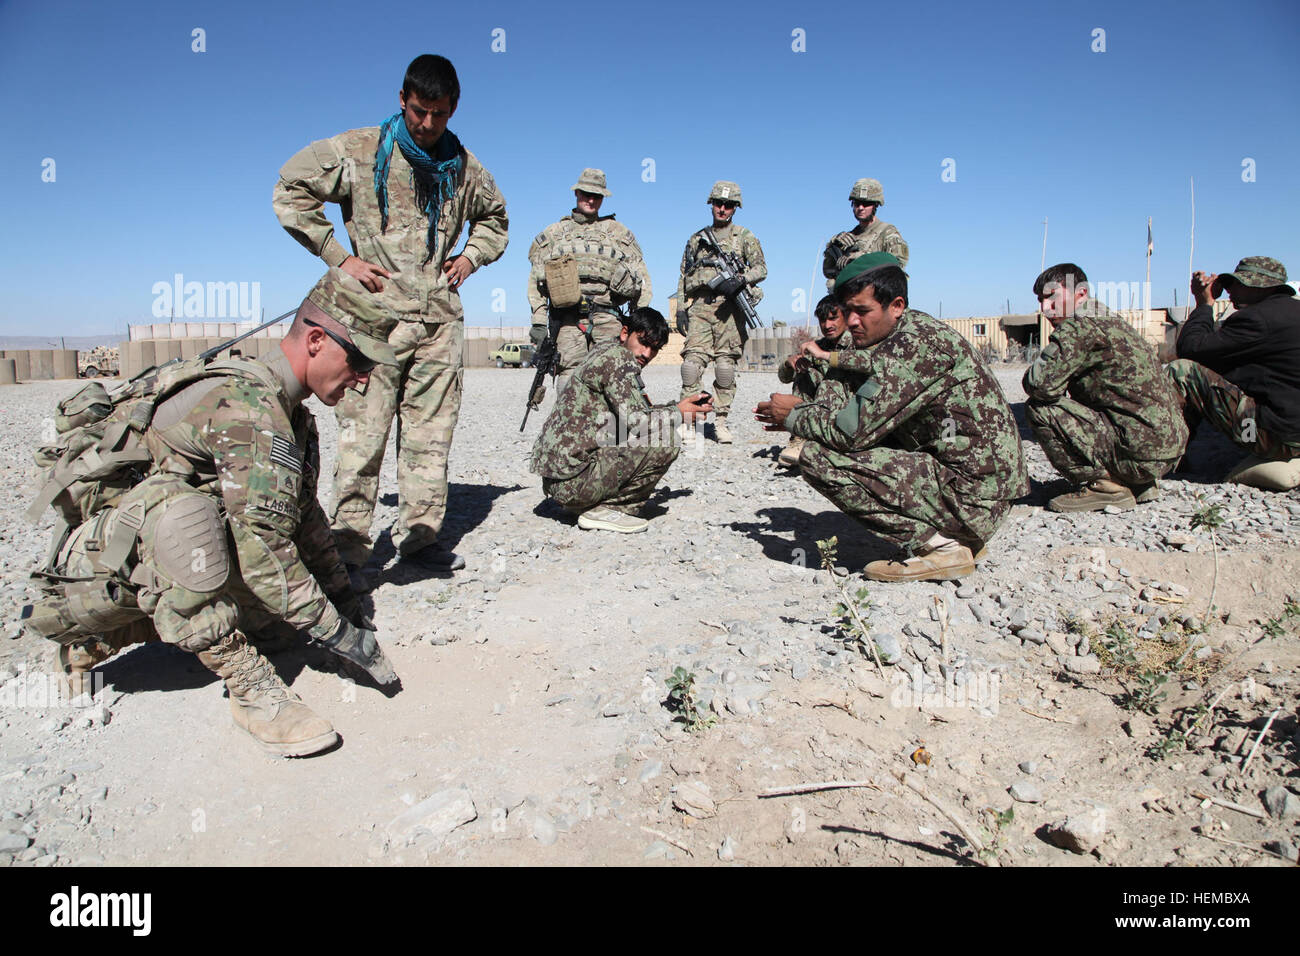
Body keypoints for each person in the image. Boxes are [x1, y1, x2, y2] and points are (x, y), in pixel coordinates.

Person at [34, 271, 401, 756]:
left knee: (276, 625)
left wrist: (349, 610)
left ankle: (97, 643)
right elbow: (265, 552)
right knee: (184, 513)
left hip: (148, 568)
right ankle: (250, 690)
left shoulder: (292, 416)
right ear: (316, 340)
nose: (363, 377)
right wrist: (337, 634)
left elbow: (306, 522)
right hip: (91, 569)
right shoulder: (246, 408)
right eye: (357, 361)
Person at [273, 54, 508, 581]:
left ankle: (421, 539)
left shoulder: (464, 168)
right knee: (363, 434)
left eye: (440, 114)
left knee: (431, 435)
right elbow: (290, 188)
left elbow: (496, 219)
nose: (428, 125)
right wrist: (340, 256)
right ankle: (349, 548)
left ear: (454, 110)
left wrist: (471, 256)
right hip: (372, 320)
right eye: (420, 111)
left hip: (438, 321)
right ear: (402, 101)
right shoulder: (360, 151)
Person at [756, 254, 1028, 582]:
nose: (852, 321)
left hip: (976, 498)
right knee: (842, 384)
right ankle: (956, 535)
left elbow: (848, 434)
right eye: (848, 312)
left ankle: (943, 548)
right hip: (972, 484)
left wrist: (794, 415)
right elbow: (852, 381)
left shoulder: (914, 347)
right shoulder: (903, 331)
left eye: (863, 311)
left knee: (816, 457)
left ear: (896, 305)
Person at [1022, 263, 1188, 512]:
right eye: (1041, 299)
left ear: (1081, 294)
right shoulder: (1107, 317)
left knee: (1039, 408)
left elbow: (1039, 385)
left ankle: (1105, 487)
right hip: (1167, 448)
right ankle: (1136, 481)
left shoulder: (1081, 324)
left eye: (1052, 296)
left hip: (1140, 450)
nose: (1045, 307)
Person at [532, 308, 712, 533]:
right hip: (572, 484)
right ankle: (607, 509)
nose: (646, 353)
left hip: (559, 480)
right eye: (643, 342)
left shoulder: (606, 351)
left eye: (654, 348)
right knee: (668, 440)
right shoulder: (619, 361)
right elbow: (639, 422)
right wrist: (678, 412)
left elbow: (636, 412)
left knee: (652, 427)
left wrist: (679, 407)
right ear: (626, 332)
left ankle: (587, 502)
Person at [1167, 256, 1300, 489]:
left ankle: (1164, 459)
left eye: (1235, 285)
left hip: (1277, 439)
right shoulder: (1289, 314)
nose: (1229, 292)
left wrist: (1204, 304)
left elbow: (1191, 349)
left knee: (1182, 372)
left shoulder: (1257, 319)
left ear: (1257, 286)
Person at [527, 169, 652, 395]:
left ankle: (609, 429)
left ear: (603, 198)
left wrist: (640, 318)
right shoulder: (555, 234)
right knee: (568, 378)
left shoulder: (619, 234)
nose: (591, 200)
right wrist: (537, 321)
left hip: (608, 317)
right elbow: (536, 280)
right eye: (586, 193)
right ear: (576, 193)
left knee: (614, 377)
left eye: (597, 195)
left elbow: (641, 277)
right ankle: (570, 427)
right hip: (567, 319)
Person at [675, 181, 767, 444]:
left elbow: (761, 269)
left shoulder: (745, 237)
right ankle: (690, 422)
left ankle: (722, 422)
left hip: (730, 310)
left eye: (728, 205)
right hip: (701, 308)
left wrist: (741, 279)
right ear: (711, 205)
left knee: (725, 368)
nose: (722, 209)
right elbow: (683, 276)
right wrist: (681, 308)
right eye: (718, 203)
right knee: (691, 367)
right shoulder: (696, 240)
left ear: (735, 208)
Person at [776, 295, 848, 469]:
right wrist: (789, 363)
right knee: (805, 372)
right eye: (823, 320)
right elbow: (784, 378)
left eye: (833, 318)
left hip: (850, 406)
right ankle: (799, 438)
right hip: (822, 409)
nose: (827, 325)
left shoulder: (858, 343)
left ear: (846, 317)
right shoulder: (816, 345)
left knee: (832, 378)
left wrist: (826, 357)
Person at [821, 178, 909, 290]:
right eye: (857, 203)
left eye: (866, 204)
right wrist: (833, 247)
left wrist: (861, 259)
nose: (860, 208)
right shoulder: (847, 237)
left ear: (875, 206)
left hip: (878, 295)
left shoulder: (888, 232)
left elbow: (897, 266)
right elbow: (828, 272)